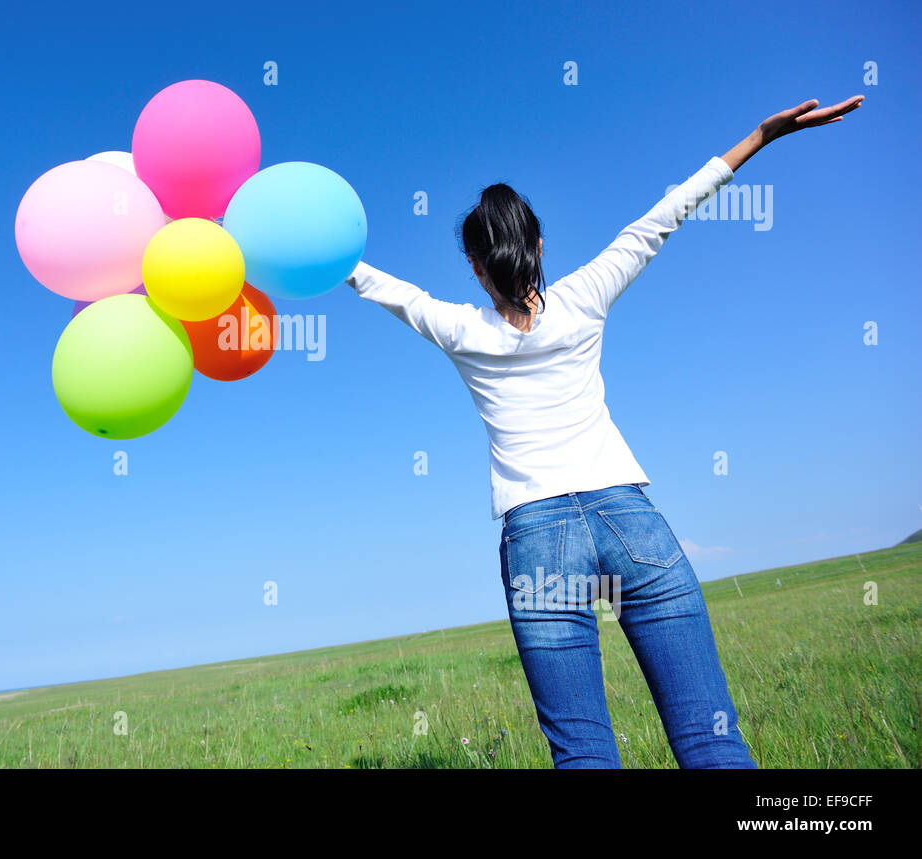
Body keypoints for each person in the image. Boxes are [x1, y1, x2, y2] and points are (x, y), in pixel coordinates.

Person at [345, 95, 865, 768]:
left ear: (476, 266)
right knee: (710, 737)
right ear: (539, 245)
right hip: (630, 520)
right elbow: (667, 213)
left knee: (584, 752)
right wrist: (761, 136)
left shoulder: (460, 329)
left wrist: (305, 251)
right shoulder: (587, 294)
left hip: (536, 537)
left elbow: (379, 285)